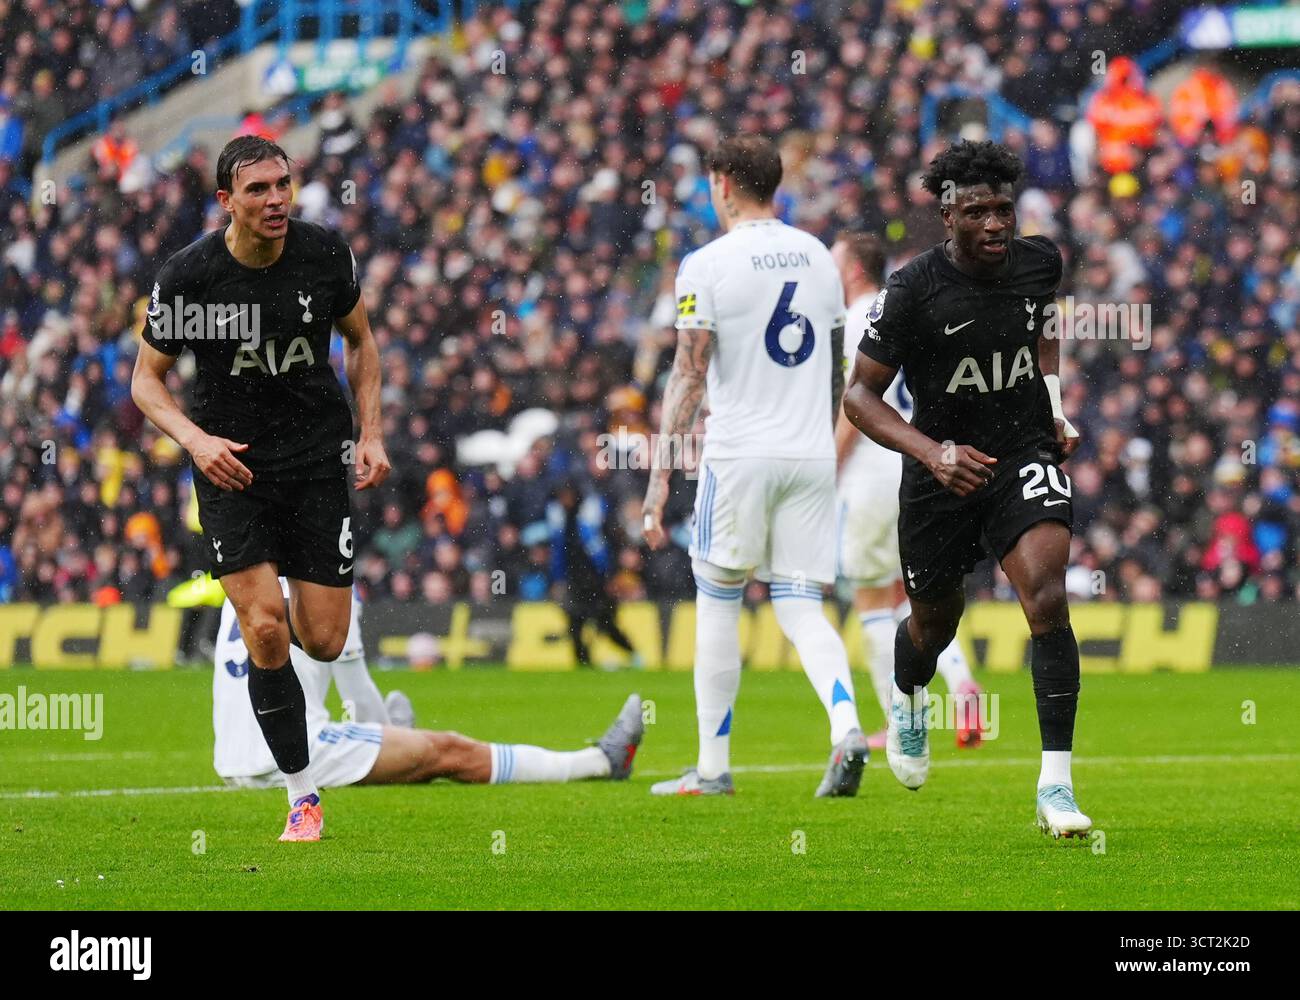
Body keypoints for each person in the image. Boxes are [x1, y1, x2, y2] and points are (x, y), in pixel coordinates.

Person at [132, 135, 392, 842]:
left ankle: (329, 671)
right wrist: (196, 441)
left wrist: (369, 434)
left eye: (283, 184)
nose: (276, 199)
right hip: (231, 466)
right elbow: (144, 380)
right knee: (266, 628)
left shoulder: (324, 254)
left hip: (313, 462)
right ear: (227, 202)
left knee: (326, 639)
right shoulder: (190, 277)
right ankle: (302, 795)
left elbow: (362, 342)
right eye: (258, 190)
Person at [842, 140, 1090, 839]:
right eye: (977, 211)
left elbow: (1044, 333)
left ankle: (1056, 786)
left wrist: (1055, 403)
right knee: (932, 624)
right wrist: (931, 453)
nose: (995, 224)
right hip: (940, 471)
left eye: (1003, 209)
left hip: (1020, 452)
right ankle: (912, 699)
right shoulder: (911, 290)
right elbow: (859, 396)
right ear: (946, 214)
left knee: (1046, 593)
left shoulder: (1040, 263)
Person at [643, 134, 867, 798]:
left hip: (740, 453)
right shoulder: (821, 261)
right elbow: (836, 367)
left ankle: (712, 769)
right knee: (800, 603)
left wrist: (658, 484)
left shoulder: (706, 264)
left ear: (721, 185)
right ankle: (846, 726)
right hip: (809, 453)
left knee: (718, 599)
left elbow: (689, 373)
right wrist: (822, 445)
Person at [214, 580, 644, 794]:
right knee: (450, 750)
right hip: (296, 756)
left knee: (410, 746)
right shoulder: (326, 591)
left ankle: (402, 741)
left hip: (233, 758)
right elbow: (359, 703)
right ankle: (599, 762)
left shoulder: (247, 584)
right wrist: (397, 738)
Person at [830, 232, 984, 751]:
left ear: (853, 270)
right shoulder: (904, 309)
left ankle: (896, 721)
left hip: (868, 476)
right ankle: (963, 688)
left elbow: (856, 406)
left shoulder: (856, 320)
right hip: (914, 469)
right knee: (914, 599)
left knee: (871, 601)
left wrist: (829, 466)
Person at [549, 480, 640, 669]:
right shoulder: (563, 520)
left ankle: (633, 654)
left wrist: (609, 576)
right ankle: (583, 662)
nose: (564, 500)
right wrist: (558, 579)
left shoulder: (588, 519)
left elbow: (601, 552)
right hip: (576, 582)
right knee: (575, 625)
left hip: (596, 583)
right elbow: (559, 554)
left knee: (605, 624)